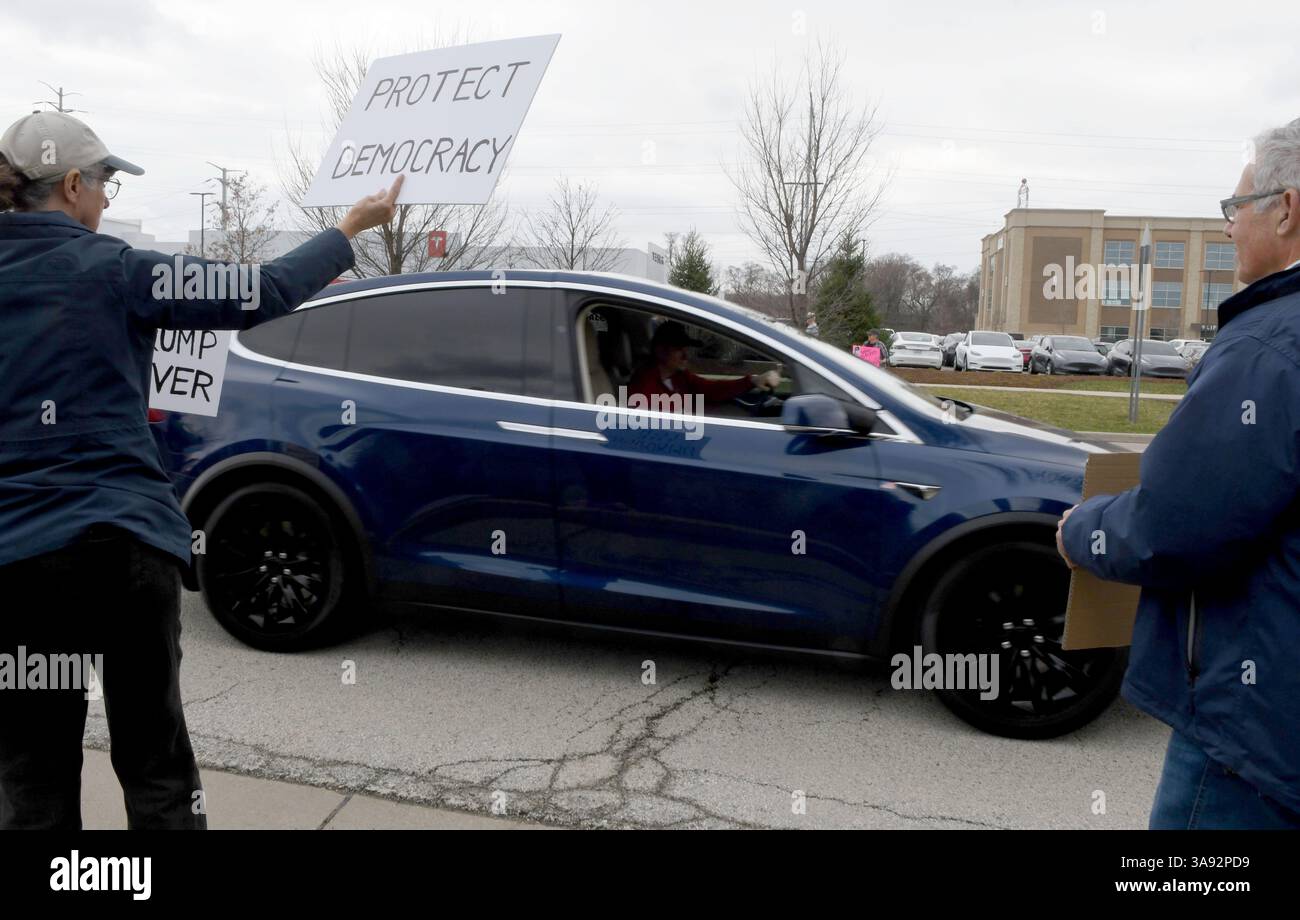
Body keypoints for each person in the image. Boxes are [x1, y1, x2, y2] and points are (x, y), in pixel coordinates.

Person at [0, 111, 403, 829]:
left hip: (21, 567)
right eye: (103, 185)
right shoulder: (116, 269)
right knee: (156, 762)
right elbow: (265, 289)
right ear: (69, 185)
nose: (103, 201)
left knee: (32, 770)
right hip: (125, 552)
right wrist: (349, 228)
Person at [1057, 117, 1300, 830]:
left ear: (1287, 209)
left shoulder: (1269, 346)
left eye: (1237, 207)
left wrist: (1083, 533)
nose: (1227, 226)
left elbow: (1178, 524)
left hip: (1253, 733)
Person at [627, 320, 779, 404]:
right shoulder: (644, 385)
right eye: (680, 349)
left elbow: (711, 389)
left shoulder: (680, 377)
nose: (686, 355)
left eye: (686, 348)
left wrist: (753, 380)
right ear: (661, 351)